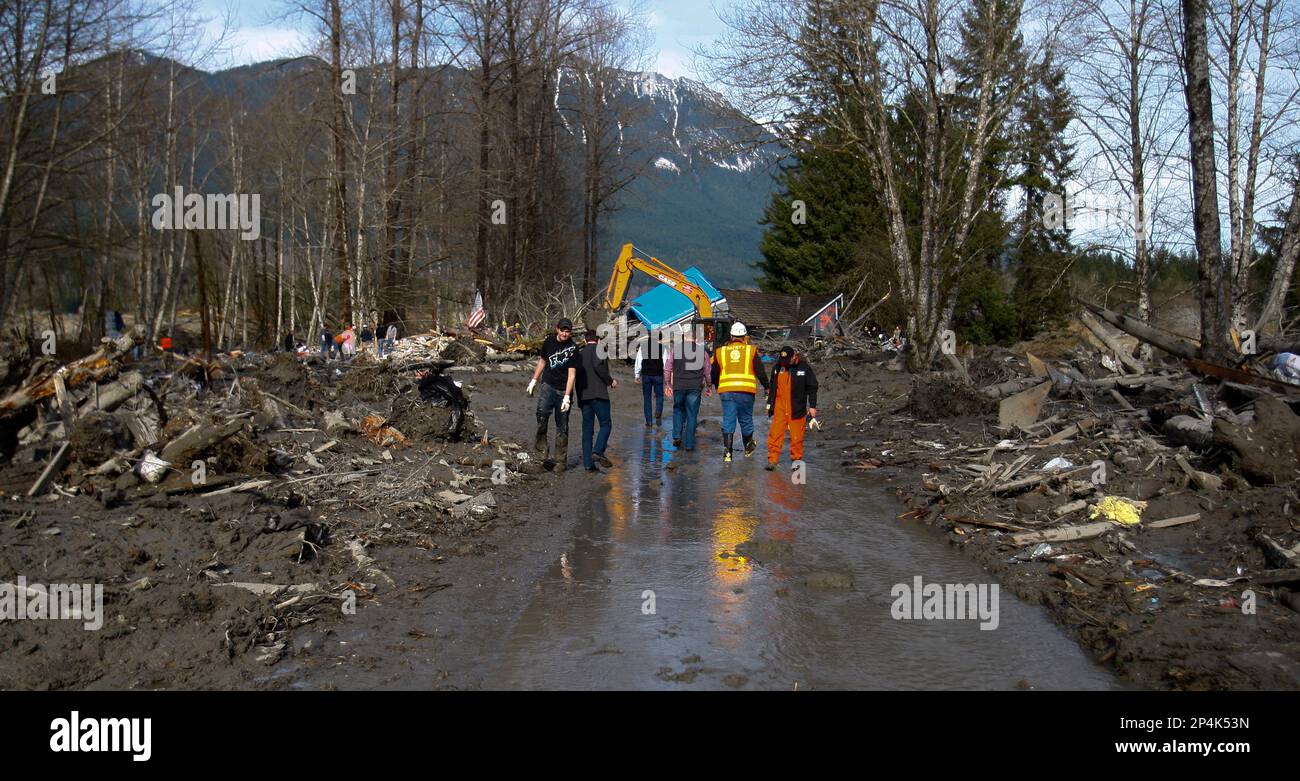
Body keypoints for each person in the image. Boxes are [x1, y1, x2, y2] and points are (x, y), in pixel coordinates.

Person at [526, 317, 579, 471]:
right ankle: (542, 453)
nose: (565, 333)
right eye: (563, 330)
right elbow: (542, 362)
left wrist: (568, 396)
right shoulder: (549, 342)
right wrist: (533, 380)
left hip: (563, 390)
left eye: (568, 331)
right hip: (547, 387)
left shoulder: (573, 349)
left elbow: (572, 375)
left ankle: (560, 461)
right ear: (557, 329)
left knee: (562, 426)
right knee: (541, 416)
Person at [710, 321, 768, 462]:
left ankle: (728, 454)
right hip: (746, 391)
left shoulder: (720, 351)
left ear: (731, 336)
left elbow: (714, 373)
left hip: (727, 392)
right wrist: (767, 386)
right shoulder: (751, 350)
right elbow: (760, 371)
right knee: (746, 419)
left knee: (728, 420)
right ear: (744, 336)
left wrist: (718, 387)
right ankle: (748, 448)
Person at [764, 345, 819, 471]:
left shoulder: (804, 368)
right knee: (775, 434)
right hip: (780, 407)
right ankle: (772, 460)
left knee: (797, 437)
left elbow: (812, 387)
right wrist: (770, 405)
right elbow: (773, 387)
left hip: (797, 407)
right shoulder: (778, 367)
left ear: (794, 356)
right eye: (783, 360)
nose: (785, 362)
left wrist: (812, 406)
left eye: (788, 360)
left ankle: (796, 461)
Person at [664, 322, 712, 452]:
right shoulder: (703, 352)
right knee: (692, 415)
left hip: (679, 386)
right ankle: (689, 444)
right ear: (695, 338)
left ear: (684, 337)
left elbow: (667, 368)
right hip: (695, 388)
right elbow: (707, 371)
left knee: (678, 410)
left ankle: (677, 436)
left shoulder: (675, 351)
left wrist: (668, 384)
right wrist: (709, 386)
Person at [576, 328, 618, 472]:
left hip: (584, 396)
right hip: (599, 394)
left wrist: (579, 397)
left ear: (585, 340)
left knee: (587, 430)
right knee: (606, 424)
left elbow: (575, 377)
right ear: (598, 340)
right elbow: (599, 367)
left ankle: (588, 464)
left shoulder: (579, 354)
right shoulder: (600, 351)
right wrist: (610, 381)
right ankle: (598, 451)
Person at [635, 333, 665, 427]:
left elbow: (639, 361)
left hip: (646, 375)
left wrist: (637, 374)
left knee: (647, 398)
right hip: (658, 375)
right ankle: (658, 413)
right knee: (659, 395)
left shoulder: (642, 346)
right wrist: (667, 376)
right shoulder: (663, 347)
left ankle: (649, 421)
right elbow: (665, 362)